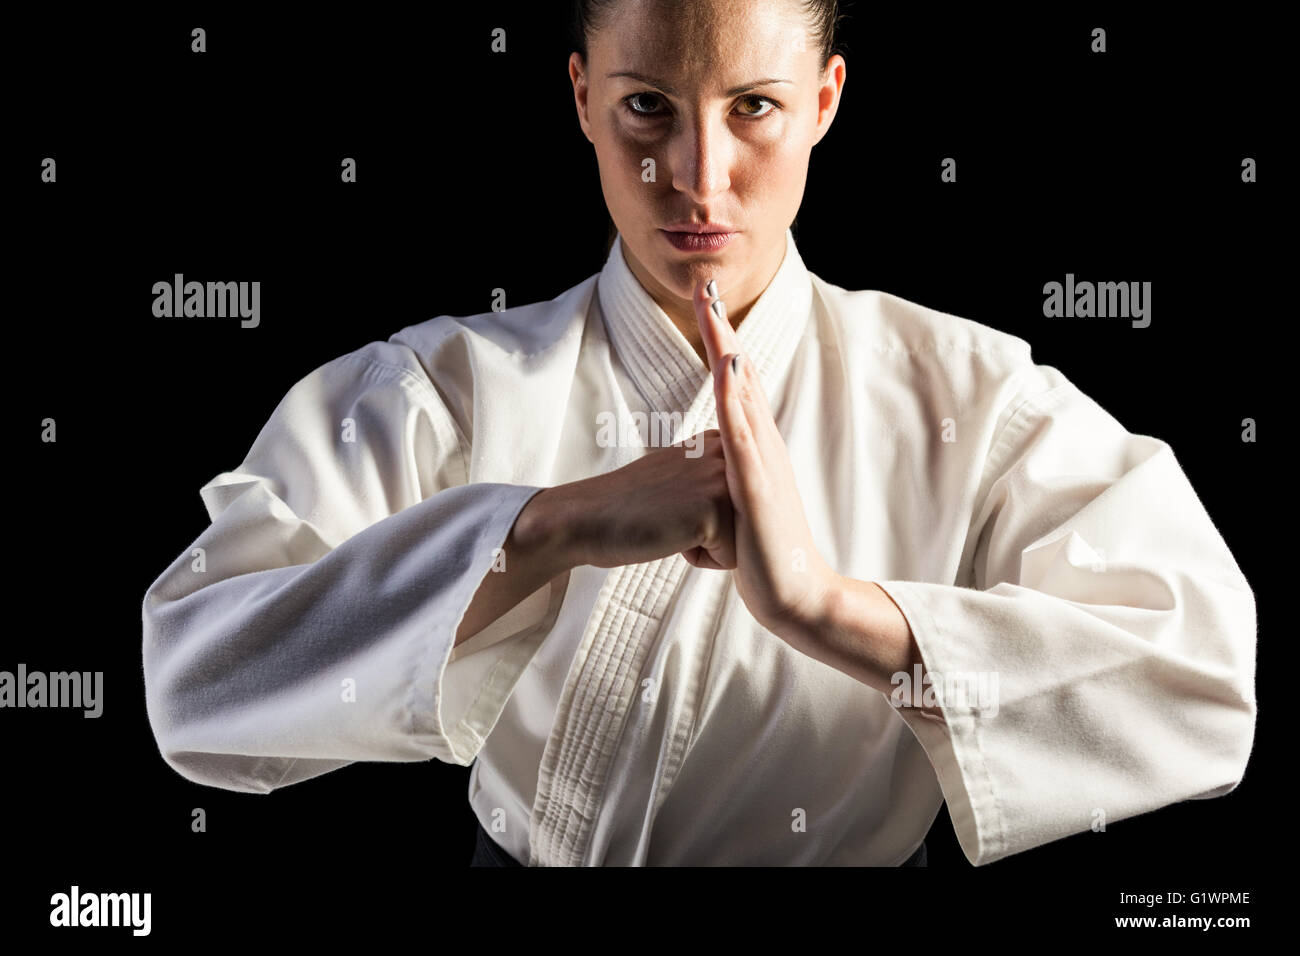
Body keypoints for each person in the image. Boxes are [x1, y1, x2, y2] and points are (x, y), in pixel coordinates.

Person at [141, 0, 1257, 867]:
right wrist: (549, 525)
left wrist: (831, 609)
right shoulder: (451, 387)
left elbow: (1205, 679)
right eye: (646, 107)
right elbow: (197, 680)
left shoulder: (967, 397)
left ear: (825, 99)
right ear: (581, 95)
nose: (696, 175)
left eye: (754, 107)